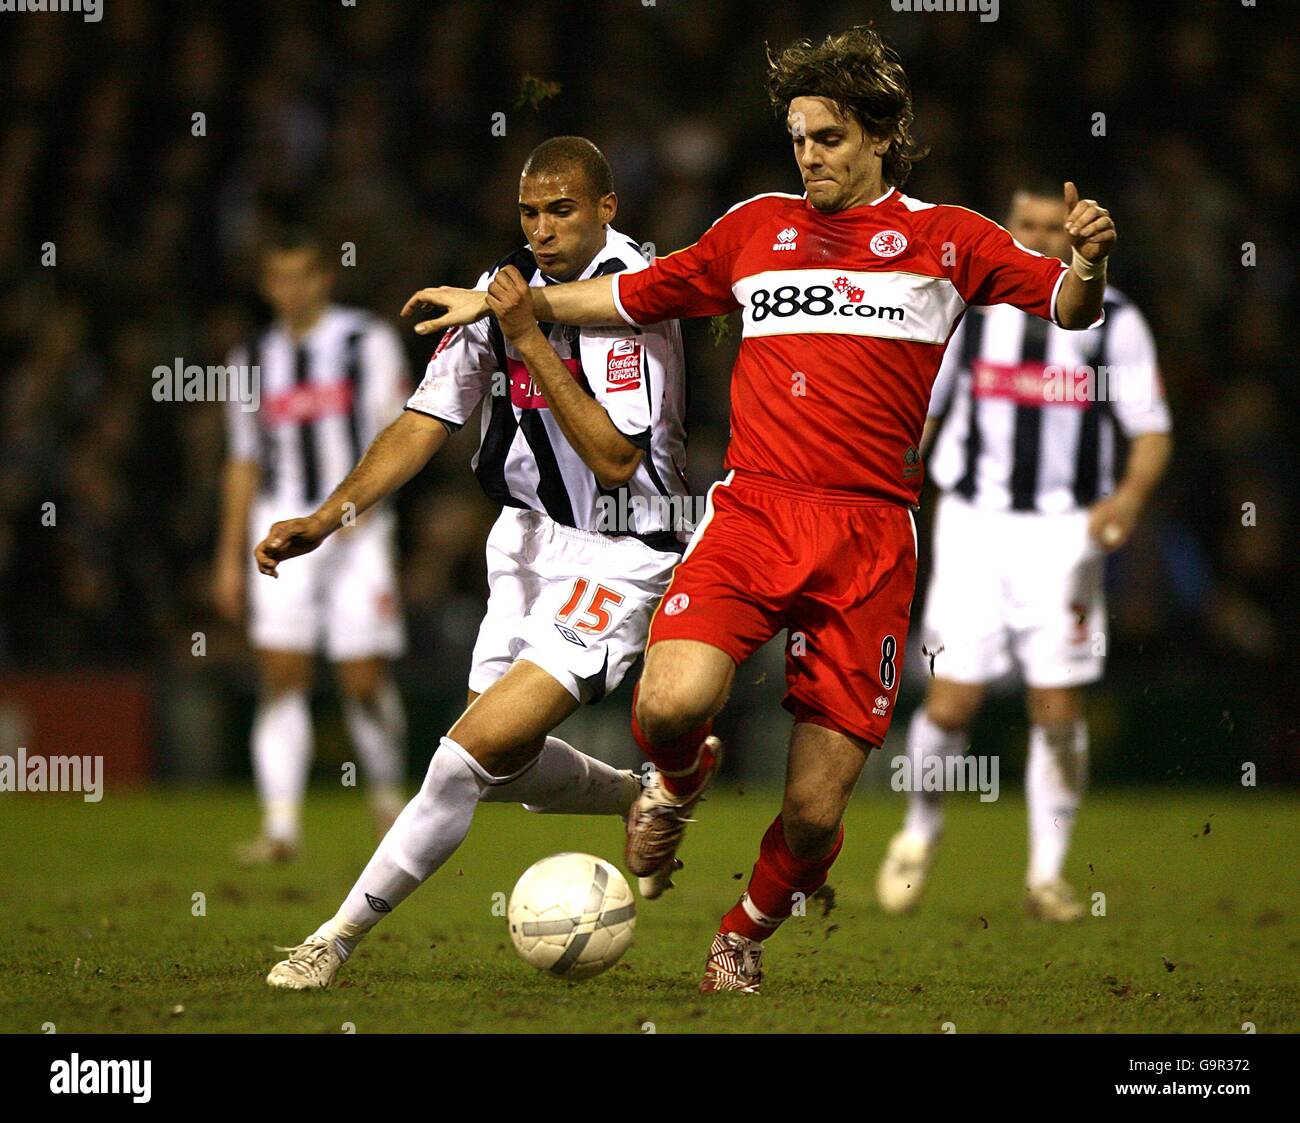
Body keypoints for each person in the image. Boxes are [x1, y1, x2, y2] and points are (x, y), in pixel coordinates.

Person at [405, 27, 1118, 994]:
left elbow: (1067, 309)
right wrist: (502, 304)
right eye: (797, 139)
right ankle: (680, 776)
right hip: (754, 513)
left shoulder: (950, 240)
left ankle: (741, 929)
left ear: (877, 137)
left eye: (826, 138)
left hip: (870, 536)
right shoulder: (754, 230)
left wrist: (1086, 263)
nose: (809, 156)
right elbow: (626, 296)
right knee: (668, 704)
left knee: (818, 814)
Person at [261, 137, 690, 989]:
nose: (541, 229)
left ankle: (332, 939)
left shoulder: (631, 298)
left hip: (623, 550)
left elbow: (611, 458)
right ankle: (644, 795)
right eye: (529, 212)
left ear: (607, 208)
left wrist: (525, 333)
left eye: (561, 210)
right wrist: (327, 516)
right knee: (511, 771)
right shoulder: (504, 285)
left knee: (464, 756)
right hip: (525, 543)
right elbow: (426, 417)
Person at [877, 182, 1172, 921]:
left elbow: (1150, 427)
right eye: (1027, 225)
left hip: (1063, 533)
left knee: (1055, 704)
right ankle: (918, 831)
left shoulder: (1117, 320)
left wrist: (1128, 498)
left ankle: (1046, 873)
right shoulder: (969, 312)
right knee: (951, 700)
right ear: (1007, 228)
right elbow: (924, 415)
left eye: (1053, 226)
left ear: (1075, 231)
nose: (1039, 238)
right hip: (974, 525)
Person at [217, 228, 411, 863]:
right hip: (279, 522)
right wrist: (227, 558)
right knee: (282, 676)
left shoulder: (368, 342)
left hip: (358, 531)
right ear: (266, 283)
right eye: (278, 277)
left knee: (361, 680)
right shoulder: (249, 358)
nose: (290, 290)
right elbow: (243, 460)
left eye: (302, 274)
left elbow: (402, 431)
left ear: (326, 276)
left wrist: (362, 505)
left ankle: (387, 804)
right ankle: (280, 828)